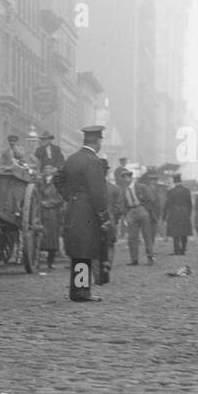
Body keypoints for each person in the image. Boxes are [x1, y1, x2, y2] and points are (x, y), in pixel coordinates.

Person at [53, 125, 112, 302]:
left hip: (74, 209)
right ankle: (82, 292)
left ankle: (77, 290)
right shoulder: (93, 161)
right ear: (98, 141)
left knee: (79, 250)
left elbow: (57, 179)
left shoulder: (72, 158)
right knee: (85, 250)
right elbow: (98, 191)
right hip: (88, 212)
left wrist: (69, 196)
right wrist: (103, 214)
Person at [97, 158, 126, 284]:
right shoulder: (115, 189)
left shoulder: (90, 189)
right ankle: (107, 265)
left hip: (94, 222)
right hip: (110, 221)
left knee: (96, 247)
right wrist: (116, 219)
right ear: (106, 172)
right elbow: (119, 208)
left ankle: (98, 274)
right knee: (109, 245)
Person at [120, 170, 154, 265]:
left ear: (131, 177)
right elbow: (123, 204)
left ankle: (150, 257)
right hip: (131, 212)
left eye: (127, 177)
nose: (125, 180)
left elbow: (150, 198)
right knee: (132, 237)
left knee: (146, 235)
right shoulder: (124, 190)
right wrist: (126, 214)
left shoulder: (141, 187)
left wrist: (145, 209)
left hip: (141, 209)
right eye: (123, 178)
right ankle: (134, 259)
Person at [37, 161, 64, 269]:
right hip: (39, 213)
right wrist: (40, 203)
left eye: (49, 168)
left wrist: (47, 203)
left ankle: (50, 262)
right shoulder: (39, 182)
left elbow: (60, 198)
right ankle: (37, 260)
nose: (47, 170)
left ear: (53, 169)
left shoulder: (58, 183)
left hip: (52, 213)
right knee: (38, 236)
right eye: (45, 168)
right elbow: (35, 194)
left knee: (52, 239)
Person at [162, 174, 193, 255]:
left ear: (174, 181)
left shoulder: (171, 192)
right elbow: (190, 205)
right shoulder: (187, 191)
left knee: (175, 233)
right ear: (180, 180)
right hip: (184, 213)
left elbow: (167, 205)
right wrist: (188, 214)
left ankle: (176, 250)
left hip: (174, 213)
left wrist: (164, 217)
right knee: (184, 232)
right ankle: (183, 250)